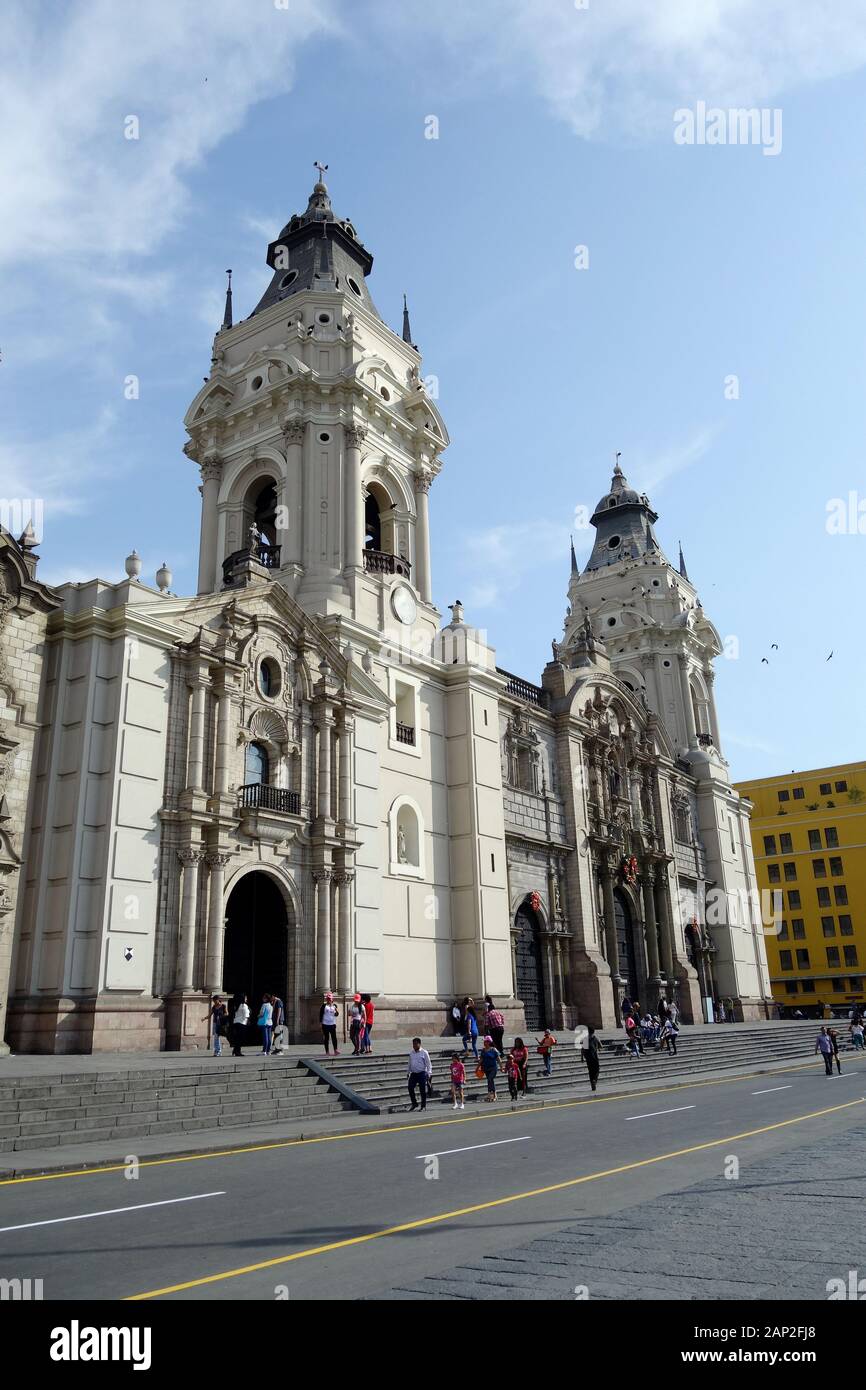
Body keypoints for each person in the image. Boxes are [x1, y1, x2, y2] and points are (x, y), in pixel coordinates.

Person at [407, 1037, 432, 1110]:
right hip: (414, 1073)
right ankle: (414, 1103)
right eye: (413, 1044)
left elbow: (428, 1063)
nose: (414, 1046)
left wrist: (429, 1073)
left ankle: (423, 1105)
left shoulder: (424, 1052)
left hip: (422, 1073)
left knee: (422, 1090)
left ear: (419, 1044)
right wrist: (408, 1072)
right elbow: (409, 1063)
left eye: (415, 1044)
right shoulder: (411, 1053)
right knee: (410, 1087)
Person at [480, 1035, 500, 1101]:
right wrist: (478, 1067)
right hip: (486, 1068)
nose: (484, 1043)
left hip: (493, 1068)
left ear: (488, 1042)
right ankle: (490, 1094)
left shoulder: (494, 1050)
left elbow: (498, 1059)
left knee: (490, 1079)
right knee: (490, 1081)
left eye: (485, 1041)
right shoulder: (483, 1050)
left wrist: (502, 1067)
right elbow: (481, 1060)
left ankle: (493, 1095)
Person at [581, 1026, 601, 1091]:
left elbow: (582, 1049)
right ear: (594, 1031)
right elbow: (601, 1046)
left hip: (588, 1057)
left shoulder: (585, 1039)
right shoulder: (595, 1038)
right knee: (597, 1070)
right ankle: (594, 1080)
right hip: (595, 1057)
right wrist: (597, 1048)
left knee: (590, 1071)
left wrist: (582, 1058)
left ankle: (592, 1082)